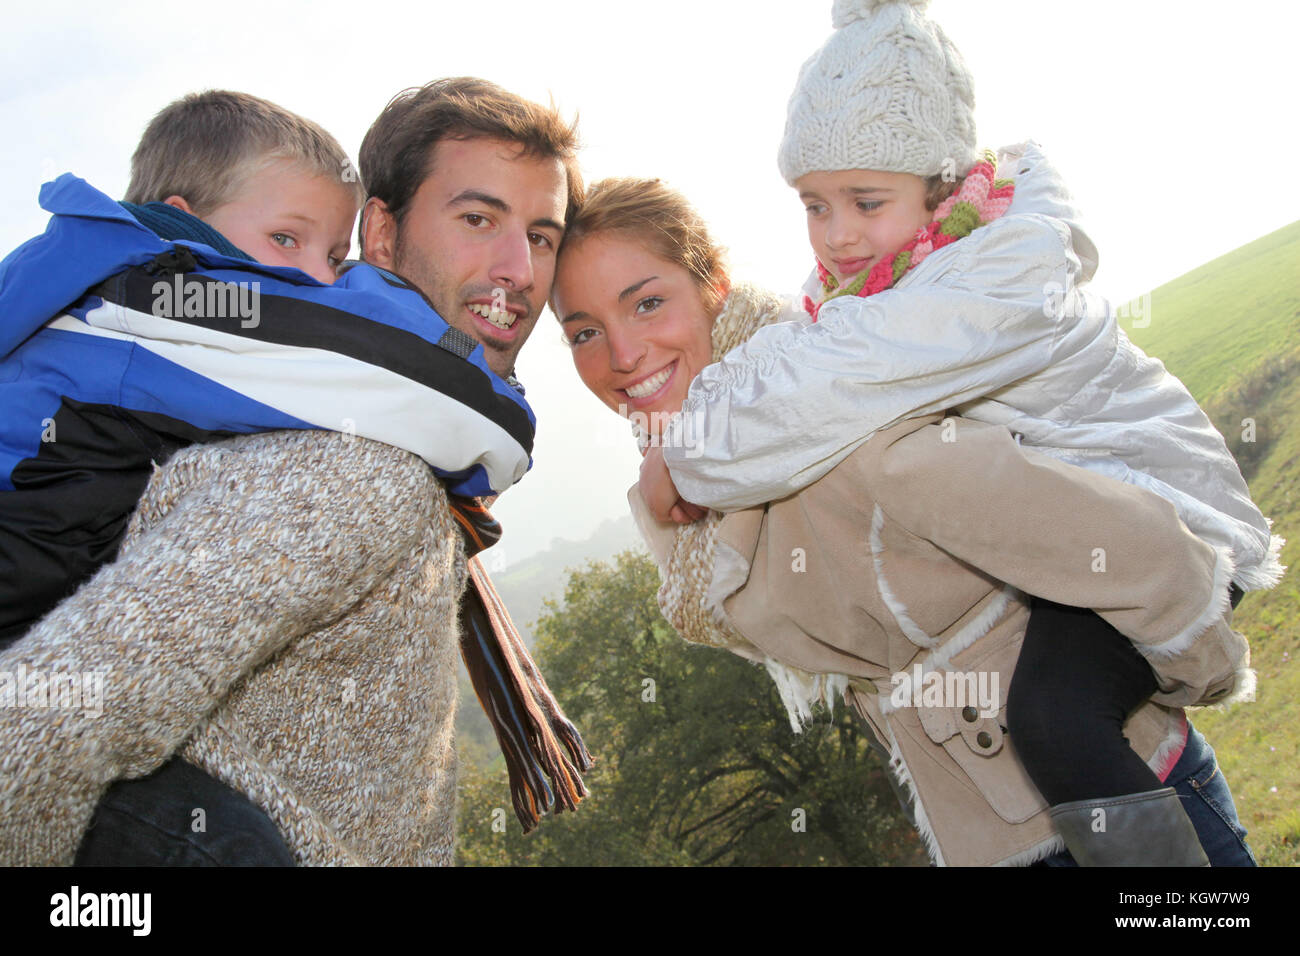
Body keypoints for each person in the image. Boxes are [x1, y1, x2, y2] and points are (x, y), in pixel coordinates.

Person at [634, 0, 1279, 864]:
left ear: (941, 184)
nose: (839, 234)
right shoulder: (895, 282)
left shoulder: (984, 284)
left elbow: (816, 389)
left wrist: (683, 450)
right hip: (1081, 539)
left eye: (865, 200)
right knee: (1055, 714)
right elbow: (813, 359)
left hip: (1169, 514)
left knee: (1053, 715)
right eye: (814, 206)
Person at [551, 176, 1256, 866]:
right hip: (990, 828)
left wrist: (1195, 661)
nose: (621, 355)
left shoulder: (824, 418)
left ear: (715, 283)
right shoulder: (707, 451)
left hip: (1114, 797)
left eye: (647, 303)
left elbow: (1105, 535)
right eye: (583, 332)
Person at [0, 77, 587, 865]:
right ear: (382, 232)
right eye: (478, 219)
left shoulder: (344, 435)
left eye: (543, 236)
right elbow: (46, 718)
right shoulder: (348, 466)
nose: (518, 267)